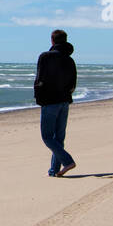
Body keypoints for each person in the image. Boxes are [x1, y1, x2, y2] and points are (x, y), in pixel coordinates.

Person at [34, 29, 77, 177]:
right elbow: (73, 84)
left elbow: (39, 80)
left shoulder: (45, 57)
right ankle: (54, 171)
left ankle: (67, 161)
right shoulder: (70, 60)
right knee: (58, 138)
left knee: (47, 137)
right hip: (64, 102)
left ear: (52, 41)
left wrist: (39, 99)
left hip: (50, 102)